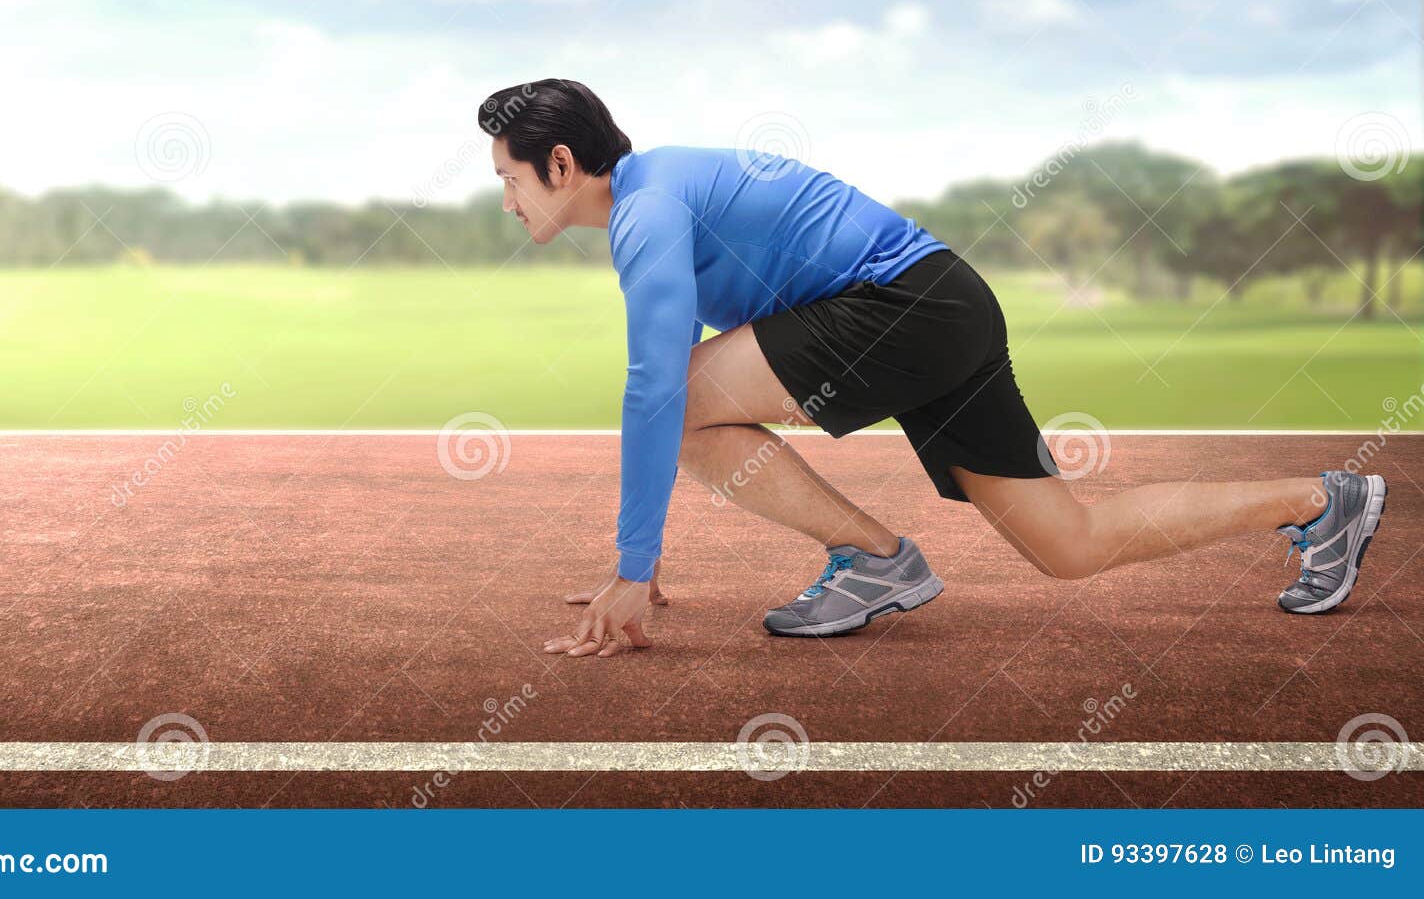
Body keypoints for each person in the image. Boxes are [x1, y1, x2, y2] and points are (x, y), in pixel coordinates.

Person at [477, 79, 1389, 658]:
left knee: (677, 401)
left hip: (904, 307)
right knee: (1069, 545)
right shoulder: (660, 195)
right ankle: (1320, 501)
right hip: (941, 305)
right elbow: (695, 359)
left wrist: (634, 562)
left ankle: (874, 559)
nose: (508, 202)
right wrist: (643, 556)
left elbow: (657, 388)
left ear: (561, 163)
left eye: (510, 180)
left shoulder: (647, 210)